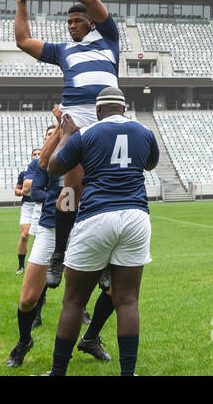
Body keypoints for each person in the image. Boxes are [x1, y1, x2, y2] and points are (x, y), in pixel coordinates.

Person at [12, 0, 119, 290]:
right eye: (68, 23)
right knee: (70, 193)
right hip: (75, 123)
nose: (71, 26)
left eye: (76, 22)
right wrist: (22, 4)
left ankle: (103, 261)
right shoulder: (62, 51)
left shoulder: (108, 40)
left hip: (106, 120)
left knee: (105, 193)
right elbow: (23, 41)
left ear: (91, 24)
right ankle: (60, 253)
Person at [44, 87, 158, 377]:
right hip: (135, 216)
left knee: (74, 300)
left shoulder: (88, 134)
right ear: (124, 108)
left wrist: (66, 137)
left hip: (97, 215)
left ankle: (58, 373)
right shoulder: (144, 132)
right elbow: (151, 163)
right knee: (128, 300)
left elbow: (54, 168)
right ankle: (128, 374)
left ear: (98, 111)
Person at [7, 114, 116, 369]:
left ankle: (90, 338)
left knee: (112, 290)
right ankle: (24, 341)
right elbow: (34, 189)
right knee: (28, 299)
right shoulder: (44, 159)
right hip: (50, 226)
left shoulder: (87, 146)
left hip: (87, 225)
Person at [14, 147, 43, 273]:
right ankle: (21, 265)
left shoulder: (45, 170)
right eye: (34, 154)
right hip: (28, 206)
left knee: (40, 236)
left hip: (41, 204)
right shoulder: (24, 173)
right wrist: (21, 192)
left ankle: (40, 264)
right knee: (24, 235)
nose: (37, 155)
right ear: (31, 157)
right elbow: (17, 190)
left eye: (39, 154)